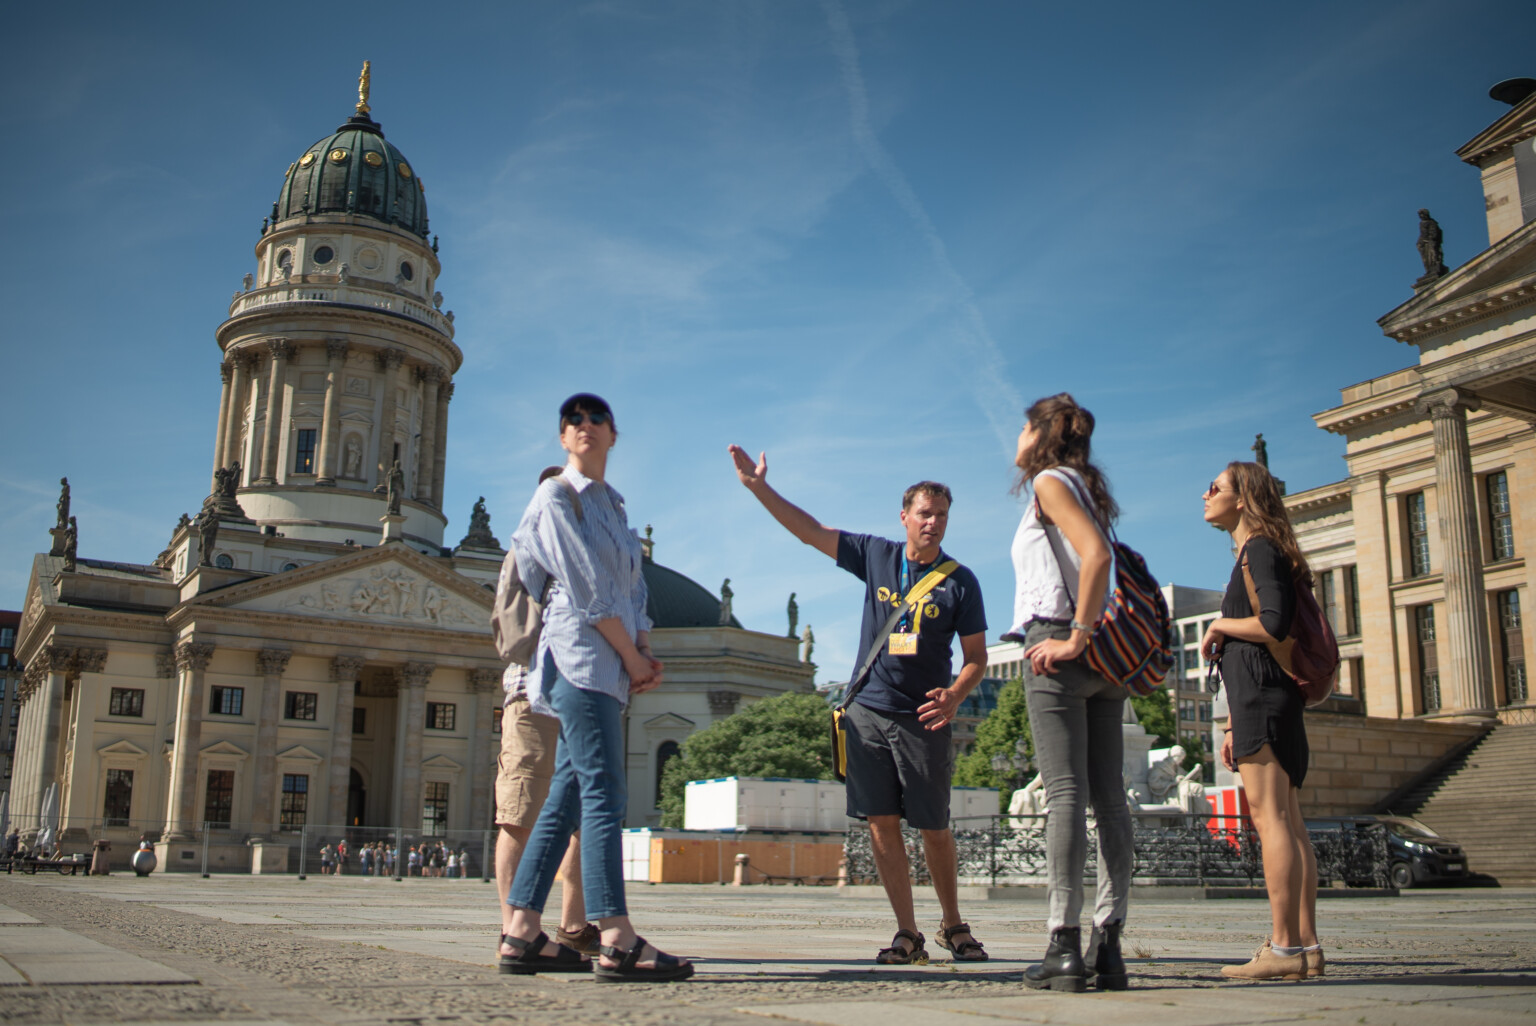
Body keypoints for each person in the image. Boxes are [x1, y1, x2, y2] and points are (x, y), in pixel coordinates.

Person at [729, 445, 989, 965]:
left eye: (941, 515)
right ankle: (908, 933)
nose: (933, 523)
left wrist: (956, 694)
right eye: (925, 513)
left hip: (923, 717)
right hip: (867, 711)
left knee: (934, 827)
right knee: (881, 823)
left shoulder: (961, 582)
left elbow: (977, 659)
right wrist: (760, 488)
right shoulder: (876, 555)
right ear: (904, 517)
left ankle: (953, 924)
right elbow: (810, 532)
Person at [503, 393, 693, 982]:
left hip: (608, 664)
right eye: (573, 419)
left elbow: (633, 588)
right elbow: (585, 585)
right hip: (578, 658)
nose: (584, 424)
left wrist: (644, 649)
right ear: (563, 437)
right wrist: (632, 657)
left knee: (566, 797)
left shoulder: (613, 506)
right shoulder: (555, 495)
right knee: (605, 793)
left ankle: (521, 932)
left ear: (613, 434)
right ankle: (617, 938)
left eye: (596, 417)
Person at [1004, 393, 1133, 993]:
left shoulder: (1050, 483)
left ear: (1041, 433)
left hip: (1060, 642)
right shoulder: (1088, 489)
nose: (1017, 439)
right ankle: (1109, 945)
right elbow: (1100, 558)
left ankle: (1063, 943)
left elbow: (1097, 557)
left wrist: (1074, 637)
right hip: (1110, 657)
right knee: (1110, 800)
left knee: (1064, 795)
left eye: (1023, 428)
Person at [1202, 461, 1322, 981]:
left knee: (1270, 819)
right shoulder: (1263, 551)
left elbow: (1272, 624)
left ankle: (1285, 949)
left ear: (1244, 498)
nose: (1205, 494)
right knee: (1289, 822)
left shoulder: (1260, 550)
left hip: (1263, 700)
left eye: (1215, 487)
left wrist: (1219, 625)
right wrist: (1231, 724)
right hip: (1268, 700)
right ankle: (1306, 946)